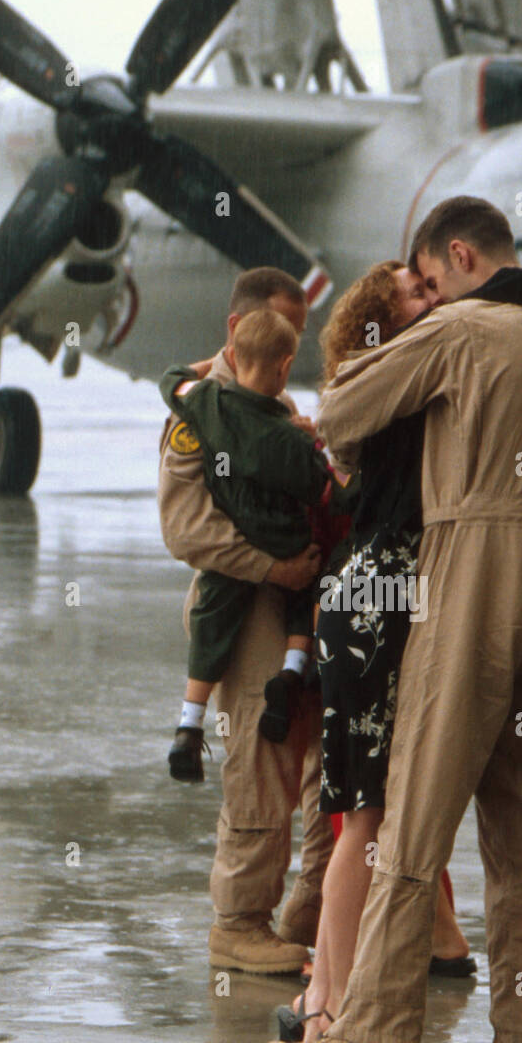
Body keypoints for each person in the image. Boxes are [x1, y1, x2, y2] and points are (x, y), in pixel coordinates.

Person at [257, 196, 522, 1043]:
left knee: (416, 806)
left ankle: (372, 1036)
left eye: (429, 278)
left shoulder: (464, 330)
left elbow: (344, 412)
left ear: (459, 256)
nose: (427, 292)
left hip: (471, 566)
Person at [158, 267, 332, 974]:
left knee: (314, 757)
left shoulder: (270, 401)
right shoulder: (197, 415)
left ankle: (306, 907)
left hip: (294, 605)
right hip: (243, 609)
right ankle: (238, 921)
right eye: (286, 330)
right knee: (259, 763)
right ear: (240, 330)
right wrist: (274, 568)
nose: (295, 346)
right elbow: (186, 529)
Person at [164, 308, 354, 778]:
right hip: (287, 542)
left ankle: (189, 723)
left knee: (212, 617)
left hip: (237, 545)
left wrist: (212, 367)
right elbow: (324, 492)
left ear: (231, 353)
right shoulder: (288, 439)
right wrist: (318, 447)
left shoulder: (208, 406)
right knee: (309, 587)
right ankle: (292, 672)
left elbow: (173, 380)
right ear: (286, 367)